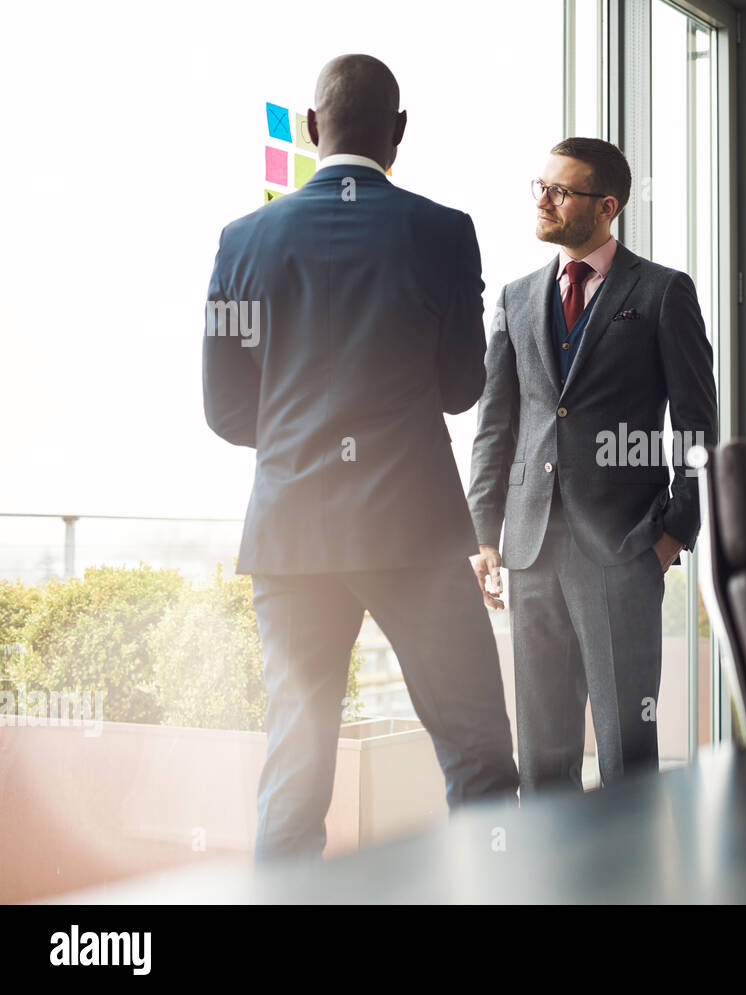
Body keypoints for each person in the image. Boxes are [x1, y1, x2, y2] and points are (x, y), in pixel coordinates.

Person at [203, 54, 519, 863]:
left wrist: (299, 445)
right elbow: (458, 388)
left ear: (313, 130)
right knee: (479, 755)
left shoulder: (243, 240)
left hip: (292, 537)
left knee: (297, 765)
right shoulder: (443, 232)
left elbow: (226, 409)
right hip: (413, 532)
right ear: (399, 133)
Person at [468, 138, 719, 796]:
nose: (544, 199)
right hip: (528, 548)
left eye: (561, 190)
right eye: (541, 186)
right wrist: (483, 534)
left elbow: (697, 424)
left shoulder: (663, 292)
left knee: (624, 748)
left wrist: (671, 534)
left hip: (623, 546)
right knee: (544, 752)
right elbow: (497, 423)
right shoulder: (518, 297)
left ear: (606, 206)